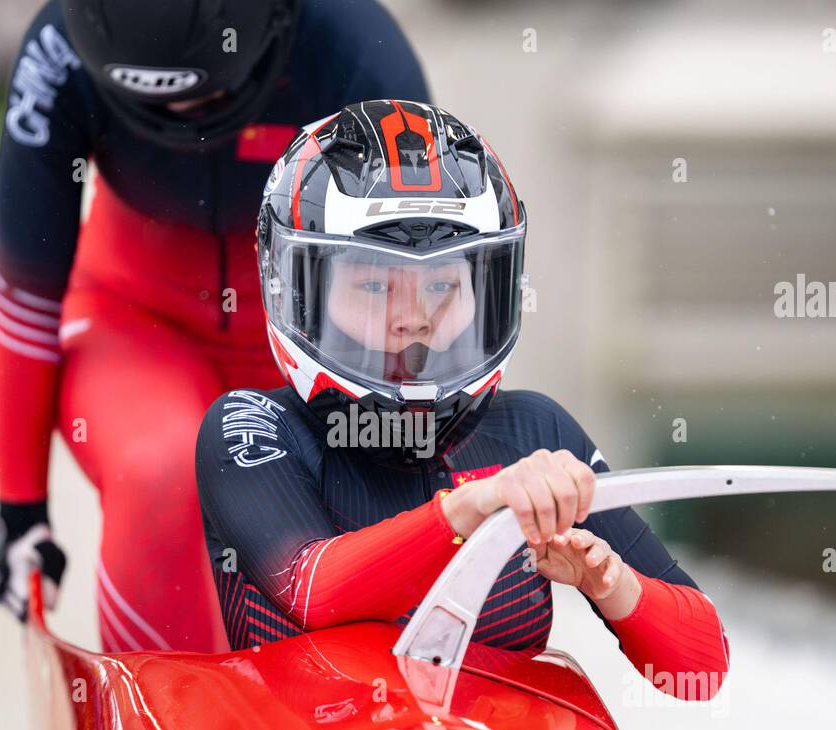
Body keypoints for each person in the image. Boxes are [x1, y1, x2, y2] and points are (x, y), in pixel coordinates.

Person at [195, 99, 729, 699]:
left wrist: (611, 582)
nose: (416, 320)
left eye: (445, 284)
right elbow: (314, 590)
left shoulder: (535, 433)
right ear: (293, 288)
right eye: (374, 284)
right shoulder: (250, 426)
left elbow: (700, 671)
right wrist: (472, 507)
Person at [0, 1, 428, 653]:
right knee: (160, 471)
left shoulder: (359, 51)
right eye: (154, 112)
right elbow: (25, 292)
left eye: (206, 95)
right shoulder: (55, 53)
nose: (182, 124)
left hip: (309, 339)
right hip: (130, 319)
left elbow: (418, 295)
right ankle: (169, 724)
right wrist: (21, 509)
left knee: (352, 507)